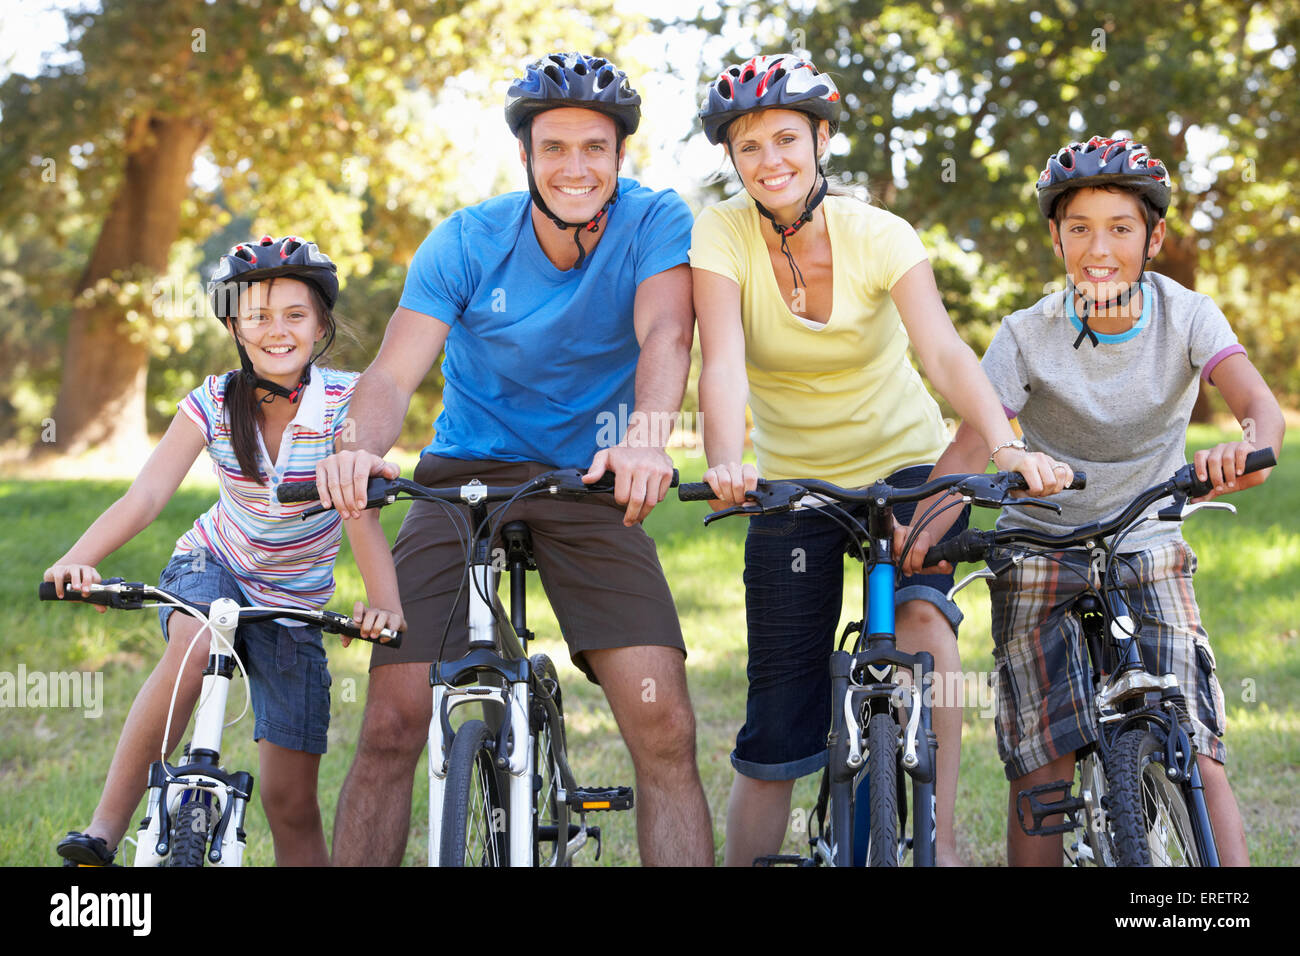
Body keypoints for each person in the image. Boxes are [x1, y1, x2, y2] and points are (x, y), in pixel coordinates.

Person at [314, 52, 713, 866]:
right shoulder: (465, 240)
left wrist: (646, 437)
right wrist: (357, 445)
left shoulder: (656, 220)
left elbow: (667, 333)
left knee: (664, 721)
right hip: (465, 473)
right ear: (526, 156)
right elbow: (392, 372)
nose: (576, 167)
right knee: (391, 723)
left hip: (592, 475)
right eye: (555, 148)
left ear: (620, 157)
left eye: (594, 148)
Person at [691, 53, 1069, 866]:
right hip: (793, 484)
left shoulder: (879, 233)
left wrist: (1002, 444)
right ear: (731, 158)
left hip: (903, 467)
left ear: (821, 137)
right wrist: (726, 460)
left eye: (787, 138)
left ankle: (940, 840)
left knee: (927, 622)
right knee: (779, 716)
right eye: (748, 147)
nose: (770, 161)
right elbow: (719, 360)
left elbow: (940, 348)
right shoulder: (720, 232)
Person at [916, 135, 1284, 865]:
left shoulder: (1188, 315)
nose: (1099, 248)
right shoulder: (1026, 335)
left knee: (1195, 743)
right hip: (1038, 545)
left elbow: (1258, 408)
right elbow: (969, 448)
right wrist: (921, 524)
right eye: (1079, 228)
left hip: (1146, 536)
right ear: (1055, 236)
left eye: (1120, 227)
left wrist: (1243, 449)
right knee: (1043, 758)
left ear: (1154, 238)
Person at [46, 236, 404, 867]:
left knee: (290, 800)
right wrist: (80, 558)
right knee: (195, 635)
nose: (277, 330)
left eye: (295, 315)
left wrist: (384, 607)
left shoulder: (349, 403)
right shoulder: (212, 400)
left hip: (296, 604)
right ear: (234, 324)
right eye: (258, 315)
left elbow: (361, 517)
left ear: (321, 324)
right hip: (214, 565)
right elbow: (147, 495)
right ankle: (104, 829)